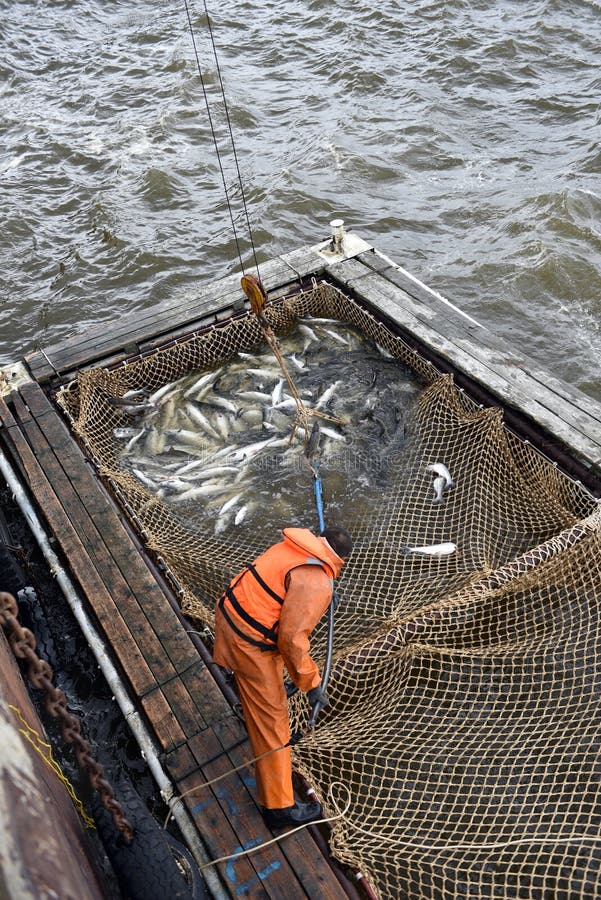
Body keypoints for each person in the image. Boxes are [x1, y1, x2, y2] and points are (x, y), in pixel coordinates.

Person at [212, 525, 353, 829]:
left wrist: (322, 594)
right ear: (341, 559)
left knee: (269, 675)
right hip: (248, 644)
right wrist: (312, 683)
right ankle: (278, 808)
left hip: (228, 619)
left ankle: (262, 694)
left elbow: (281, 602)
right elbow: (291, 640)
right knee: (274, 727)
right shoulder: (318, 582)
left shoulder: (294, 548)